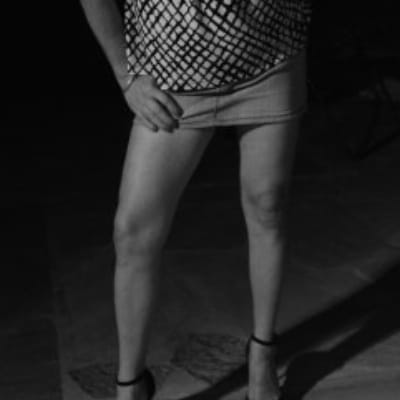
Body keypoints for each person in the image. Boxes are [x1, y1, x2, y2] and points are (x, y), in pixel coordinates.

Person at [78, 1, 312, 400]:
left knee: (268, 206)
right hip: (171, 77)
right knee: (132, 232)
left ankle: (262, 356)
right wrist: (125, 74)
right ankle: (130, 386)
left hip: (270, 58)